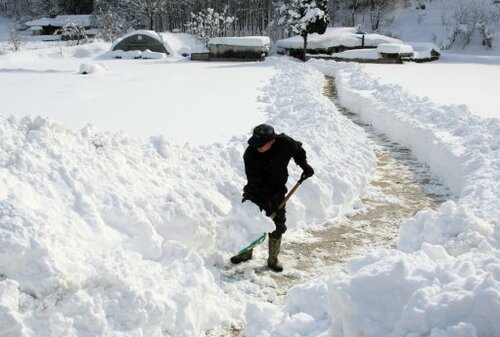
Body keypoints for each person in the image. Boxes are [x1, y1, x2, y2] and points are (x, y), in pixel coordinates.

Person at [231, 123, 314, 272]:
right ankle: (246, 253)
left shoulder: (285, 143)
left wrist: (304, 165)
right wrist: (268, 203)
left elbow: (298, 150)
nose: (258, 147)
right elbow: (256, 182)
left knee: (278, 226)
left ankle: (273, 260)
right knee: (250, 224)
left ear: (272, 140)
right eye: (256, 144)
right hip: (255, 193)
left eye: (261, 144)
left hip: (277, 192)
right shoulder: (250, 155)